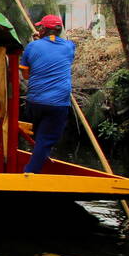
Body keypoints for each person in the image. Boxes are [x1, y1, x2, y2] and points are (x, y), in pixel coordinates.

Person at [21, 14, 75, 174]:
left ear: (43, 29)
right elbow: (59, 56)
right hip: (58, 103)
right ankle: (31, 171)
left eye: (41, 27)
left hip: (35, 102)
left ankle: (38, 159)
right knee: (46, 139)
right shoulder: (69, 46)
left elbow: (25, 75)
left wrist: (38, 42)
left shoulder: (32, 47)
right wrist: (44, 40)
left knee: (41, 137)